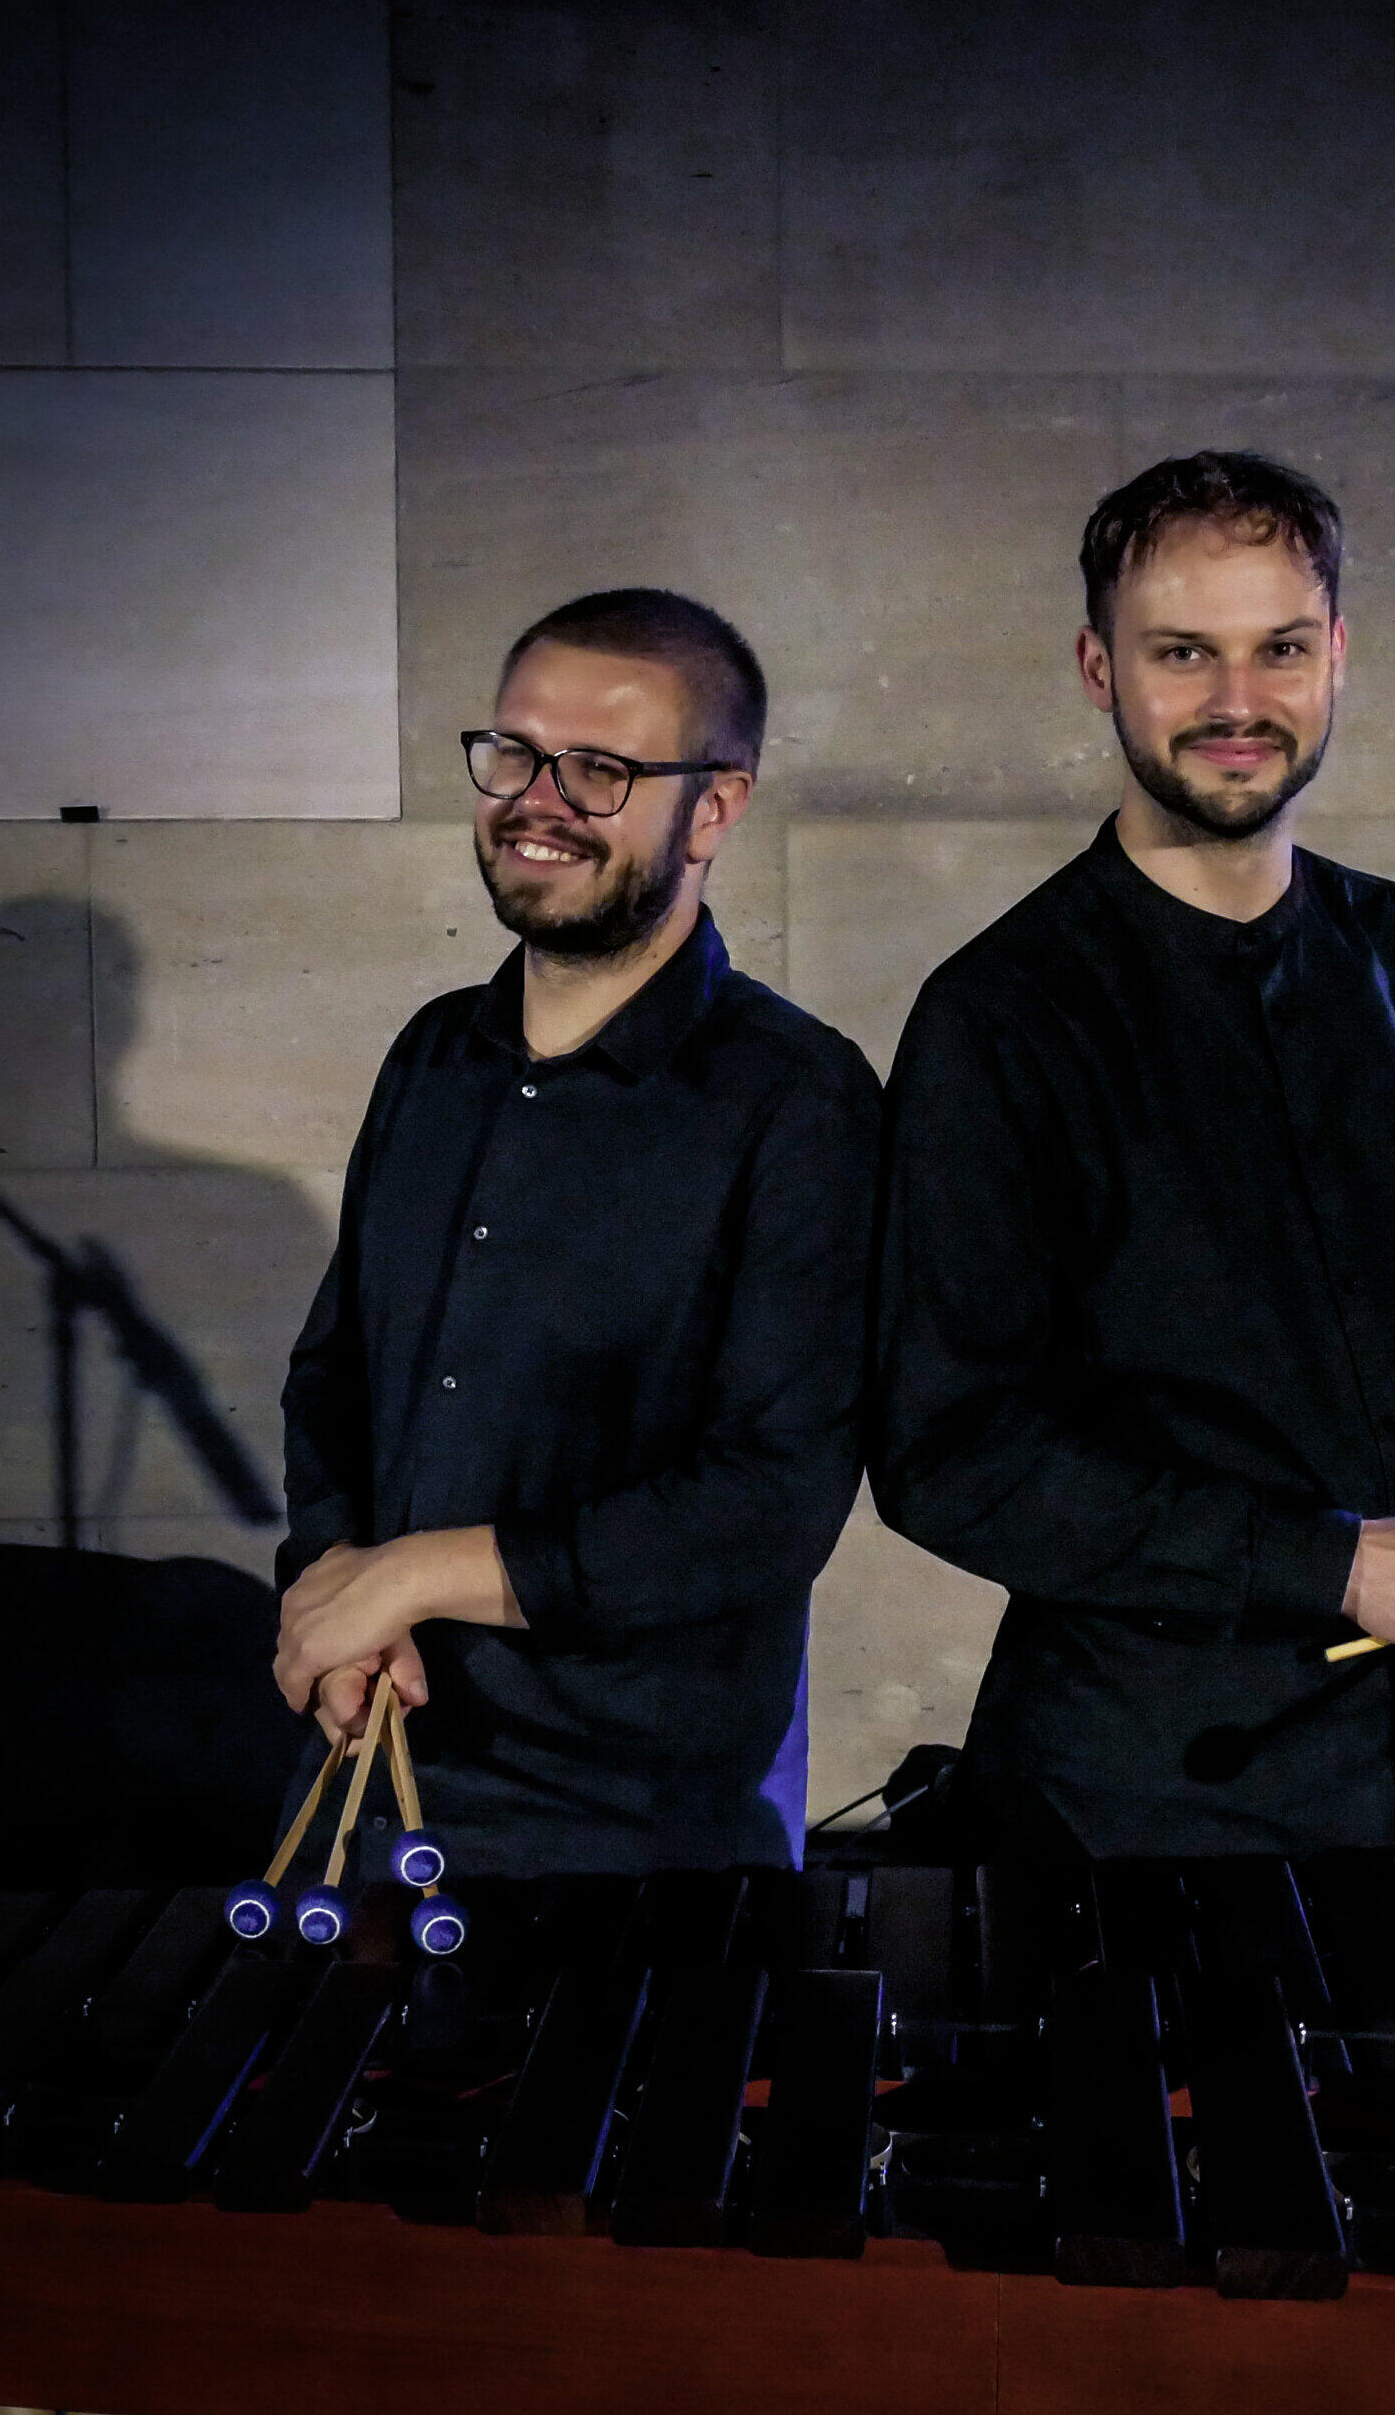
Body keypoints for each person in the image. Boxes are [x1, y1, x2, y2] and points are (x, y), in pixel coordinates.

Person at [869, 452, 1395, 1859]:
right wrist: (1331, 1565)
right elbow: (947, 1454)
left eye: (1277, 648)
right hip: (1148, 1821)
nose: (1235, 702)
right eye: (1181, 654)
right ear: (1099, 669)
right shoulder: (1000, 1018)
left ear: (1335, 654)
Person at [273, 589, 880, 1875]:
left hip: (641, 1828)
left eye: (599, 769)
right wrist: (341, 1590)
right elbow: (336, 1376)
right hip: (373, 1767)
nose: (535, 800)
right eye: (514, 755)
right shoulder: (435, 1054)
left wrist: (417, 1573)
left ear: (714, 806)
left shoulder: (798, 1098)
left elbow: (772, 1498)